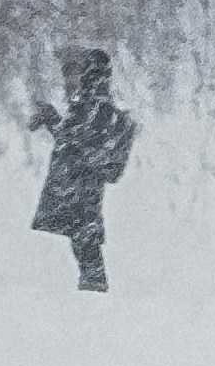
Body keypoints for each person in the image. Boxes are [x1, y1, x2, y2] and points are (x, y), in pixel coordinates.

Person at [28, 47, 135, 293]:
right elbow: (74, 139)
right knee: (83, 231)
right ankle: (92, 281)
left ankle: (93, 283)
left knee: (84, 232)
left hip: (81, 181)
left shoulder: (93, 107)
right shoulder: (95, 106)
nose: (72, 79)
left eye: (77, 72)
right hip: (83, 181)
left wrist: (51, 118)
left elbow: (73, 140)